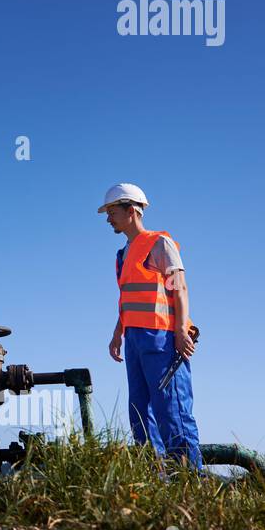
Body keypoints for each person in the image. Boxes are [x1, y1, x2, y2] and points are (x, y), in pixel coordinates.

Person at [99, 183, 202, 470]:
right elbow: (129, 298)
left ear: (131, 211)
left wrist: (181, 330)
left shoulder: (159, 244)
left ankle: (189, 482)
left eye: (112, 212)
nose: (108, 219)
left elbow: (178, 288)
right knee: (140, 413)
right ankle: (156, 481)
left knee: (172, 410)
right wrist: (118, 333)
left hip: (163, 338)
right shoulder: (122, 255)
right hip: (135, 340)